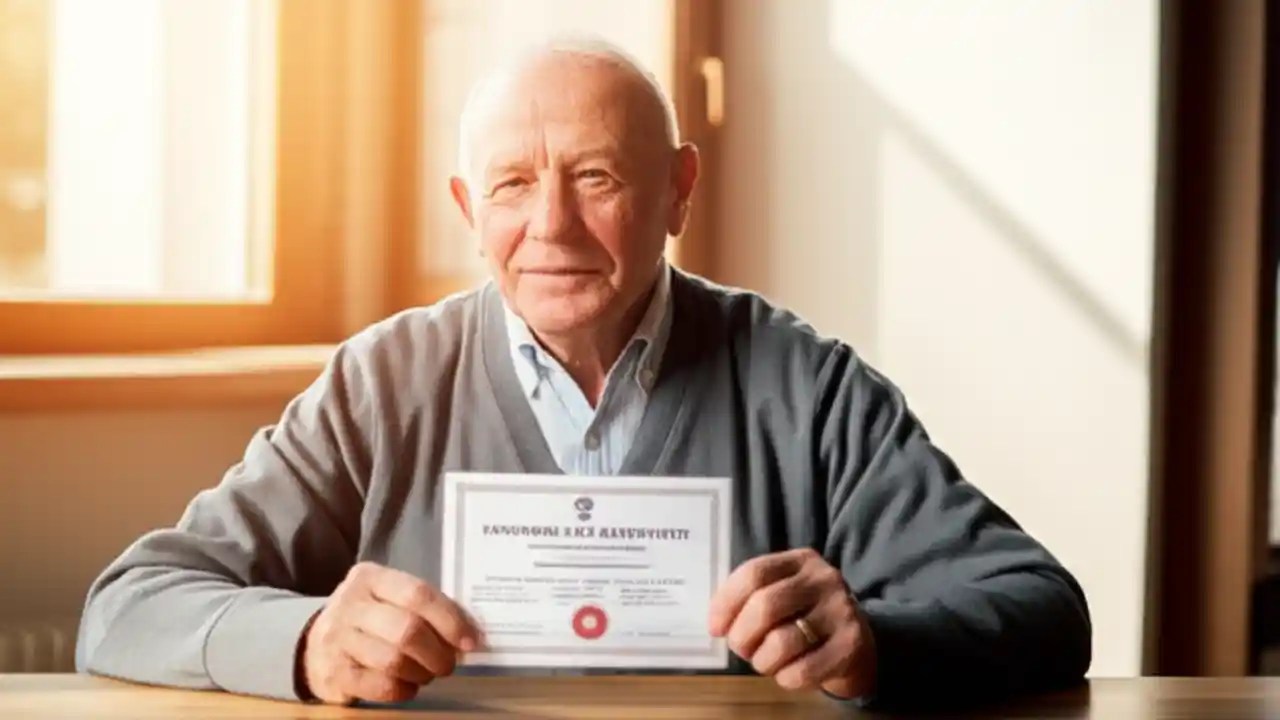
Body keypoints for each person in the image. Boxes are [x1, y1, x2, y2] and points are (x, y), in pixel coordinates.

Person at [76, 37, 1090, 709]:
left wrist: (878, 642)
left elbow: (1040, 604)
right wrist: (303, 645)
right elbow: (127, 606)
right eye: (513, 184)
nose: (550, 226)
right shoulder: (379, 384)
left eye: (596, 177)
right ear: (469, 207)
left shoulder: (803, 386)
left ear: (676, 190)